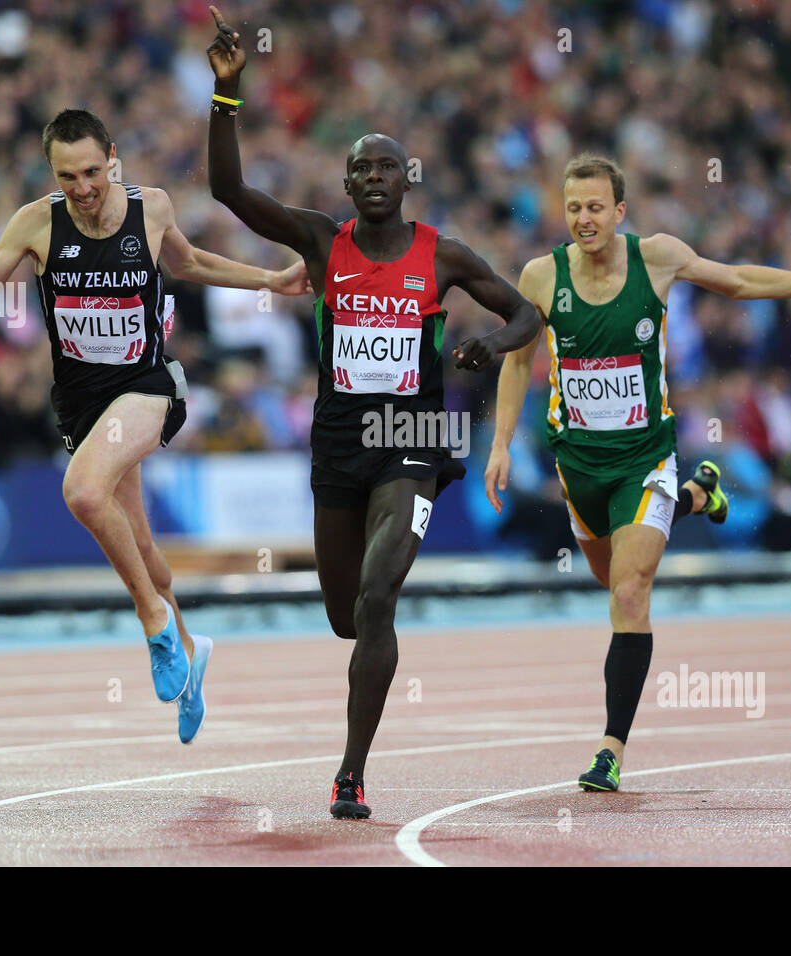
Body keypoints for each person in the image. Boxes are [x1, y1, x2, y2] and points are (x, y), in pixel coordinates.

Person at [205, 6, 542, 819]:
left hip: (415, 434)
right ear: (349, 187)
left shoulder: (444, 254)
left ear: (406, 178)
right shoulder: (325, 243)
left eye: (388, 167)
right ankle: (370, 660)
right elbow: (227, 190)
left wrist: (492, 349)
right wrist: (227, 95)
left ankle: (350, 773)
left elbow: (530, 313)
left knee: (379, 597)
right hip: (339, 434)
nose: (375, 179)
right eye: (362, 171)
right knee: (344, 613)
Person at [489, 153, 791, 792]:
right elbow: (515, 361)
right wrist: (503, 442)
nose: (584, 219)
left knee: (629, 593)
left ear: (620, 211)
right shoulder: (542, 277)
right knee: (607, 578)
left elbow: (738, 281)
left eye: (595, 207)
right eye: (573, 209)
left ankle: (610, 749)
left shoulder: (659, 257)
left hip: (644, 458)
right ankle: (700, 493)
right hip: (580, 467)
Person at [0, 108, 310, 744]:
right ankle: (190, 648)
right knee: (141, 547)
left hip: (148, 387)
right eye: (68, 177)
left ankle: (152, 621)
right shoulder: (37, 222)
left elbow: (191, 263)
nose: (83, 188)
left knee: (84, 494)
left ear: (112, 157)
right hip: (81, 405)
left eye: (92, 172)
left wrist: (271, 281)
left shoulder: (153, 208)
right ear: (52, 173)